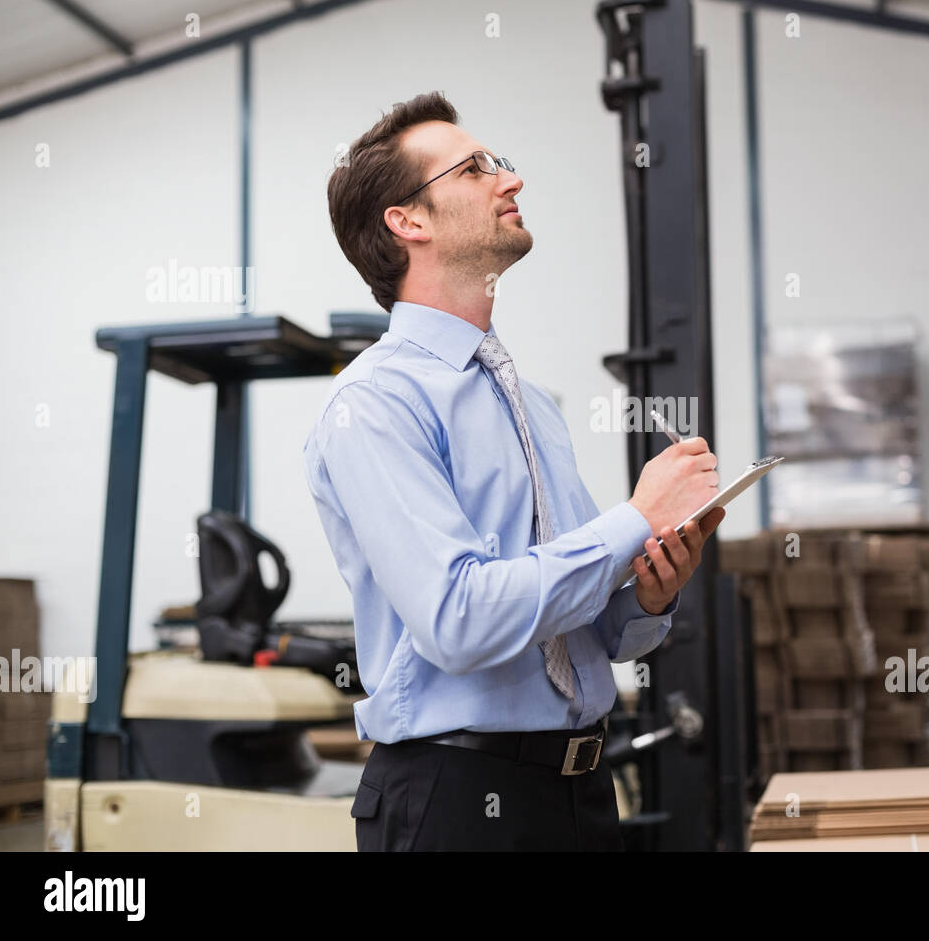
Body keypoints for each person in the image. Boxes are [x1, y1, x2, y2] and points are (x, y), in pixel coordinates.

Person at [305, 92, 723, 851]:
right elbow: (458, 620)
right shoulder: (374, 403)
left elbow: (595, 633)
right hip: (459, 800)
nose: (510, 181)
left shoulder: (530, 403)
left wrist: (646, 595)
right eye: (475, 169)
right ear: (409, 221)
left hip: (580, 794)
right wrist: (632, 519)